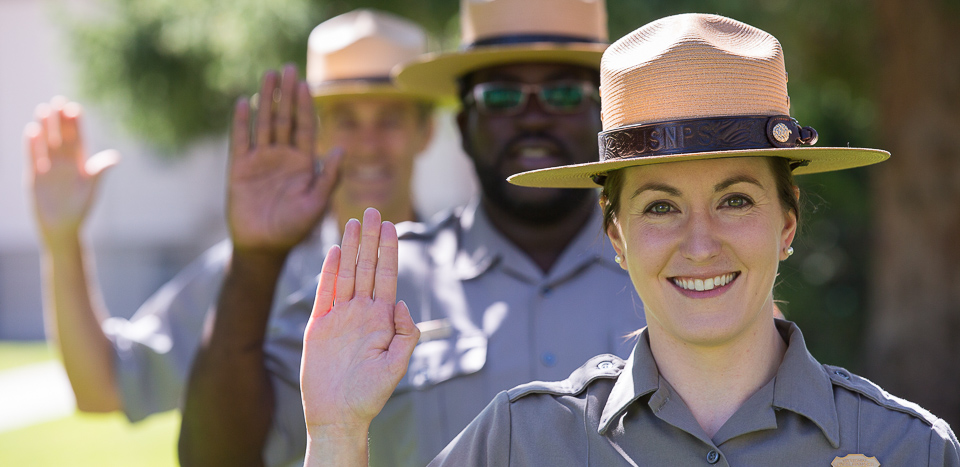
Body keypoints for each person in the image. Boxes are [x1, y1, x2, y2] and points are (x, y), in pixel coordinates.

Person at [299, 13, 960, 466]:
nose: (699, 243)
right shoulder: (523, 441)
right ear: (615, 233)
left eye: (735, 199)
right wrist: (335, 432)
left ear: (788, 221)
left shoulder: (907, 446)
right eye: (660, 206)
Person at [178, 0, 646, 465]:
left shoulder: (671, 268)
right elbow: (216, 456)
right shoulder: (381, 278)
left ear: (603, 117)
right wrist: (256, 256)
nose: (533, 116)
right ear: (463, 124)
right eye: (499, 96)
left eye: (564, 94)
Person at [23, 9, 436, 423]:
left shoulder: (471, 261)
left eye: (391, 119)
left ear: (426, 131)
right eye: (346, 120)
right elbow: (103, 386)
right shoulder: (253, 272)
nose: (368, 144)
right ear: (318, 134)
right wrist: (62, 242)